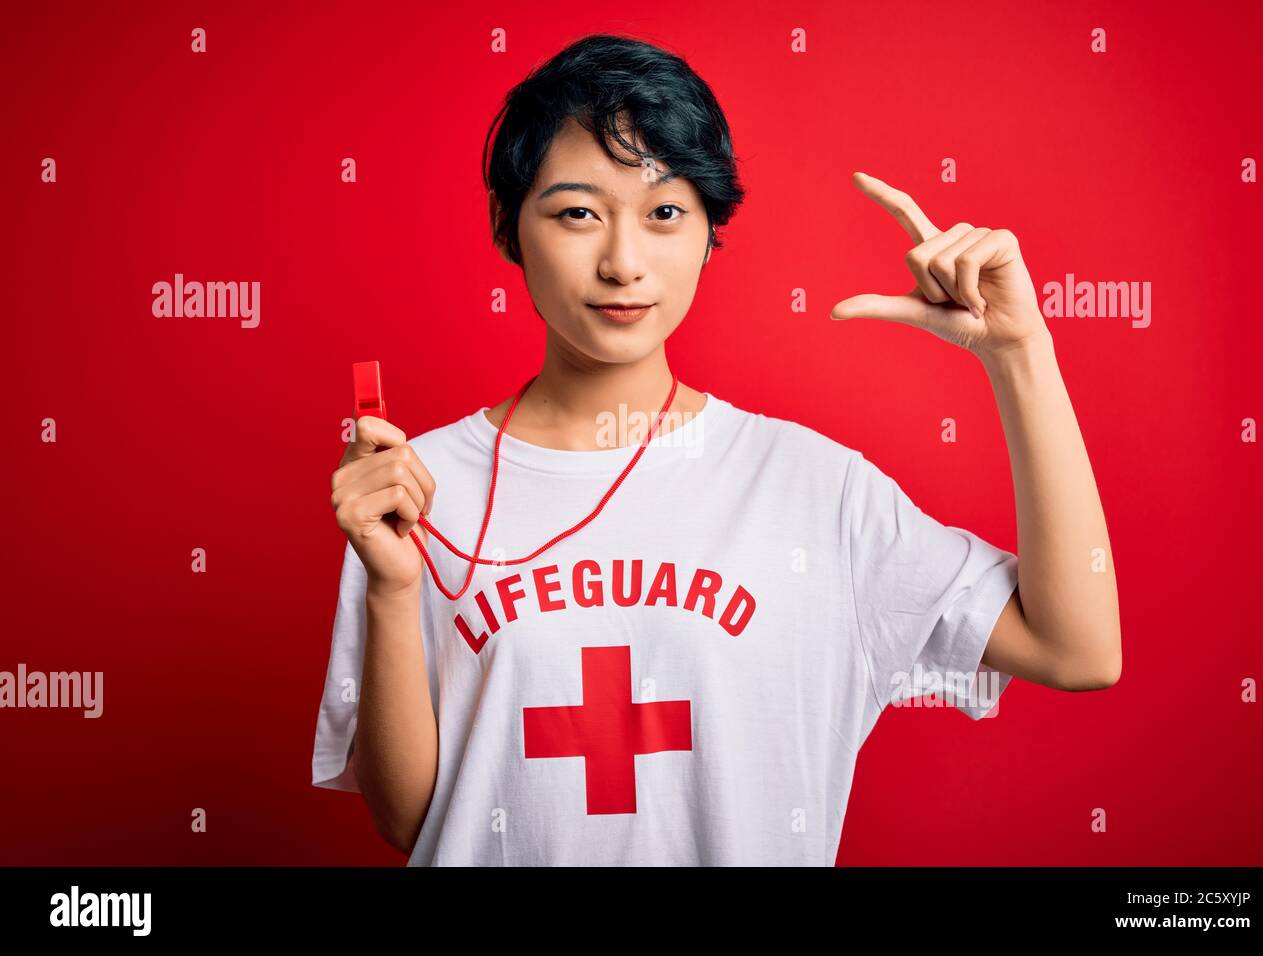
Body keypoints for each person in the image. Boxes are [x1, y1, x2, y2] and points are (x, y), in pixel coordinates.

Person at [312, 33, 1122, 865]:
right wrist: (392, 585)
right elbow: (413, 821)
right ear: (510, 228)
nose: (623, 263)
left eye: (665, 213)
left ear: (709, 236)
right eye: (577, 212)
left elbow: (1077, 648)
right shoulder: (414, 487)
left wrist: (1020, 354)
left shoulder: (813, 487)